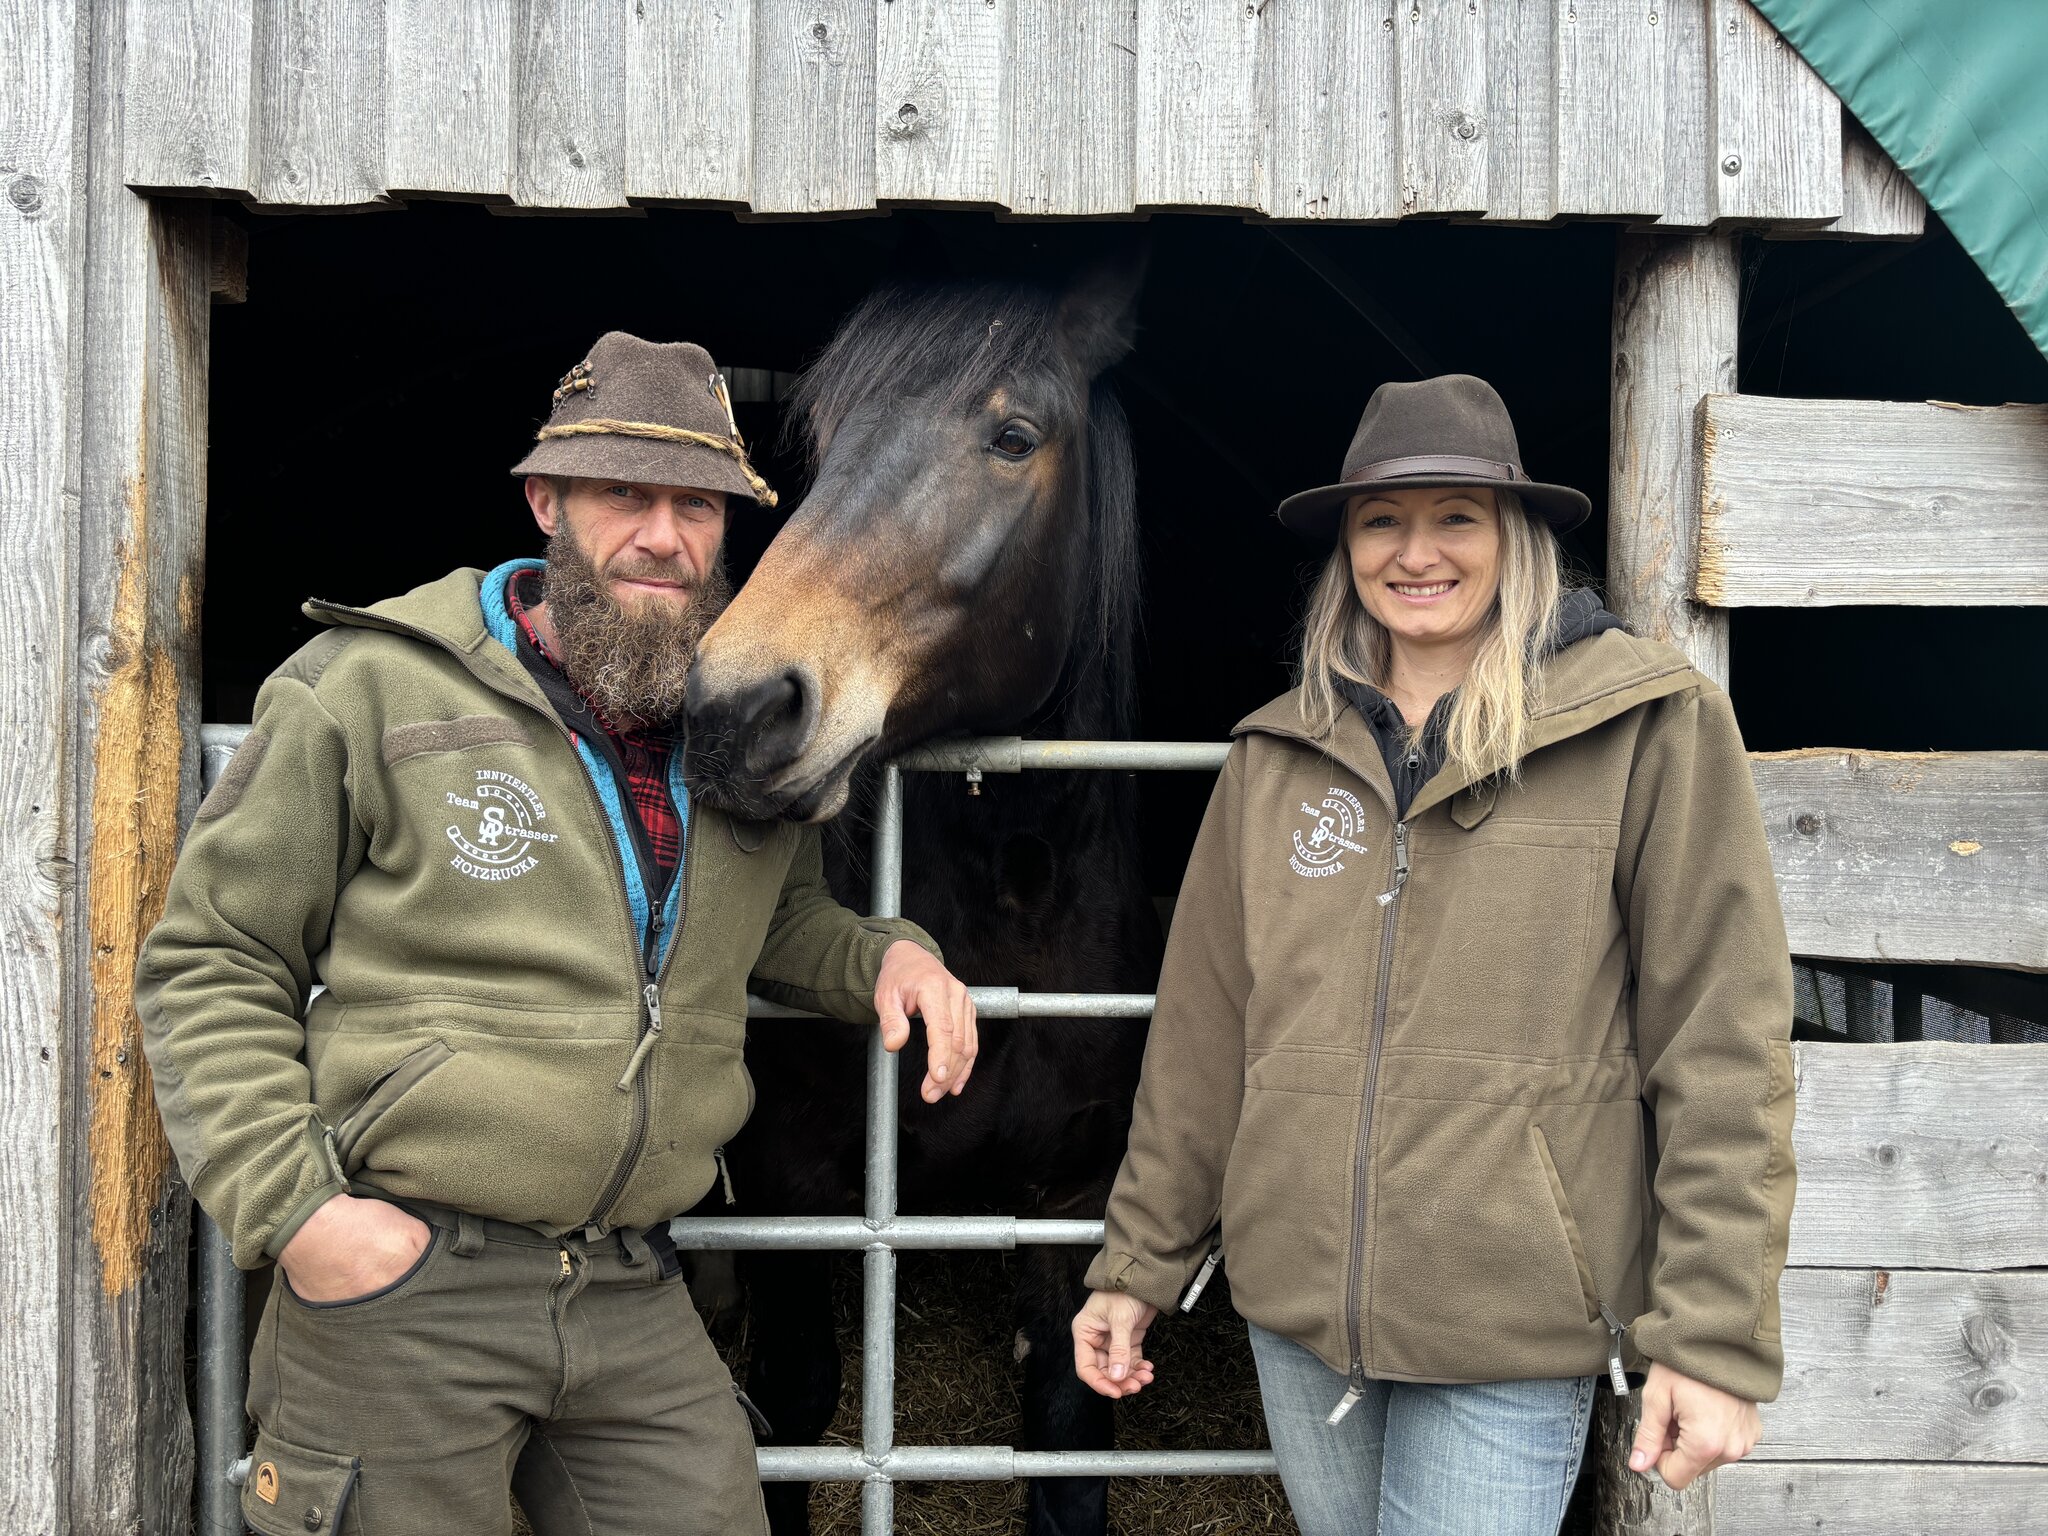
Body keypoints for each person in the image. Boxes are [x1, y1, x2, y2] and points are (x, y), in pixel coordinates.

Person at [139, 332, 981, 1536]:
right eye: (623, 495)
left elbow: (775, 918)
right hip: (407, 1275)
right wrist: (300, 1214)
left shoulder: (729, 713)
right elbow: (213, 955)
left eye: (696, 505)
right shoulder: (372, 687)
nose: (663, 537)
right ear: (546, 500)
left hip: (630, 1281)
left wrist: (887, 952)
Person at [1071, 374, 1795, 1534]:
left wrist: (1709, 1335)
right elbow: (1203, 1036)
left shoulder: (1645, 728)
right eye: (1380, 520)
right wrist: (1134, 1263)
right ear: (1344, 544)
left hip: (1506, 1321)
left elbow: (1719, 1043)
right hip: (1300, 1316)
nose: (1417, 552)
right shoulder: (1275, 755)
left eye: (1455, 514)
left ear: (1513, 533)